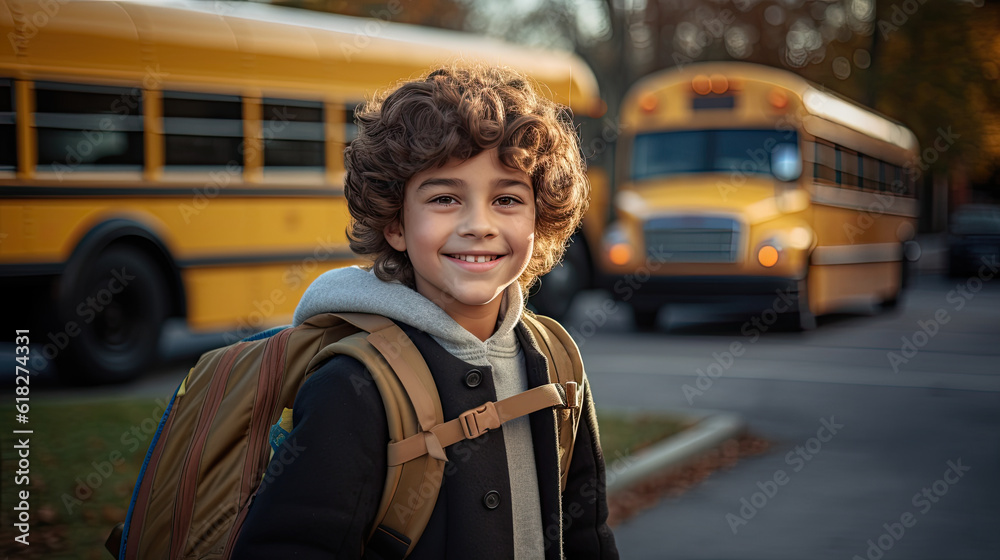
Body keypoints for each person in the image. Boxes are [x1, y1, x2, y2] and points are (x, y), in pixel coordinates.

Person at [231, 64, 619, 559]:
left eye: (506, 198)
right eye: (444, 198)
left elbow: (587, 534)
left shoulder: (558, 360)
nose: (478, 225)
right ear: (395, 224)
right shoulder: (352, 385)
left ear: (538, 218)